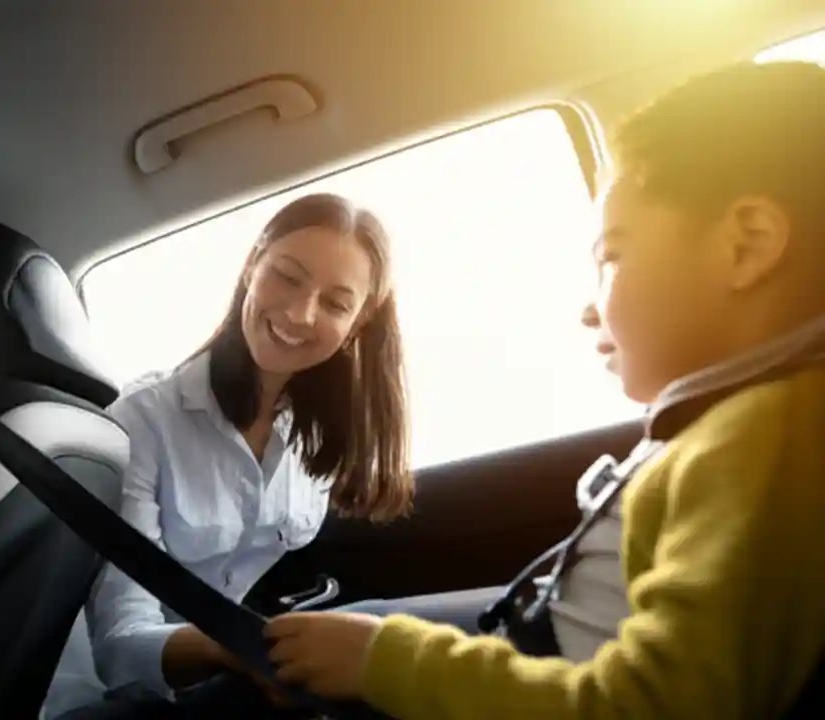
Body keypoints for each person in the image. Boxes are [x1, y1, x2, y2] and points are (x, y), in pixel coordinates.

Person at [262, 60, 825, 719]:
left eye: (612, 257)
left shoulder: (761, 444)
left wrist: (386, 663)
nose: (590, 309)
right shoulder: (735, 427)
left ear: (747, 245)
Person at [42, 192, 417, 718]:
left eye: (335, 304)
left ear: (358, 324)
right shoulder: (144, 420)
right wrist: (239, 649)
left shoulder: (311, 433)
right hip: (108, 700)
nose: (300, 313)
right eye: (287, 276)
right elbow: (120, 646)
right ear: (252, 265)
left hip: (214, 676)